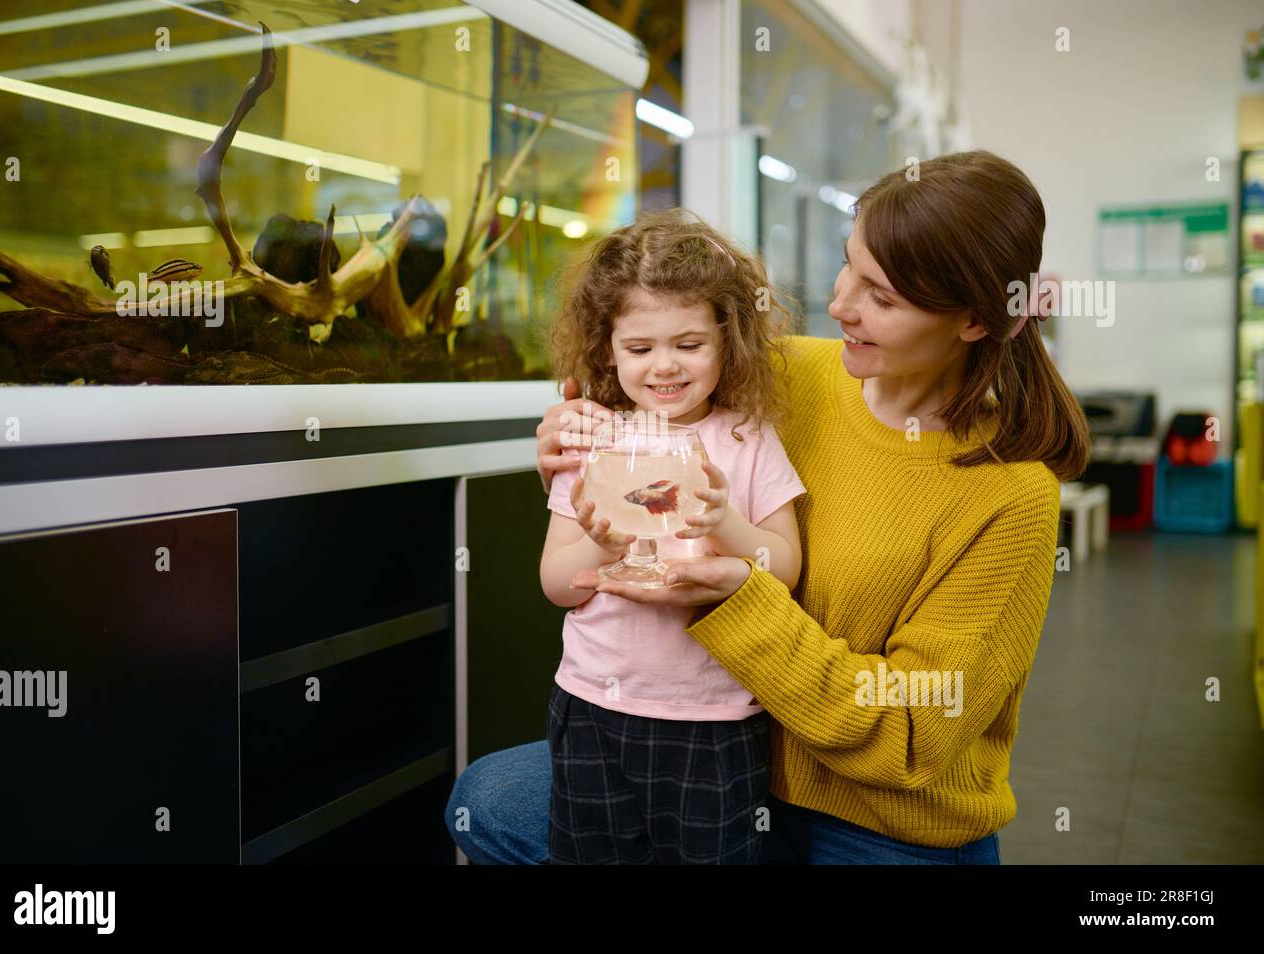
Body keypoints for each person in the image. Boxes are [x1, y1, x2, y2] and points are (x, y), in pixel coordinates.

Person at [446, 150, 1089, 864]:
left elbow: (913, 731)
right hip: (730, 749)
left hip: (874, 815)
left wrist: (736, 598)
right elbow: (645, 383)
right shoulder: (787, 370)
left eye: (882, 296)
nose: (842, 304)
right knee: (487, 799)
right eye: (850, 266)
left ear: (973, 321)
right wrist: (568, 444)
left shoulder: (1013, 495)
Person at [538, 210, 806, 863]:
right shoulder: (592, 439)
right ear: (608, 348)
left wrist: (726, 525)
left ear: (727, 341)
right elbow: (555, 586)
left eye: (689, 344)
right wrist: (603, 543)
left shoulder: (747, 439)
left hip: (715, 722)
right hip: (593, 709)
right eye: (640, 348)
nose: (665, 367)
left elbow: (786, 567)